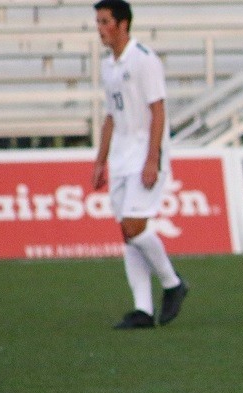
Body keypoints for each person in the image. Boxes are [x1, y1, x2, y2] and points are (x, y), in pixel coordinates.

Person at [92, 0, 188, 329]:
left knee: (134, 226)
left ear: (122, 24)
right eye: (98, 21)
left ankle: (173, 283)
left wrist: (153, 158)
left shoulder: (144, 60)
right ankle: (143, 310)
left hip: (144, 154)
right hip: (120, 156)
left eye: (105, 21)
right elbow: (110, 116)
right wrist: (100, 160)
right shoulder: (109, 65)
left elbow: (158, 111)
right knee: (127, 233)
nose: (100, 28)